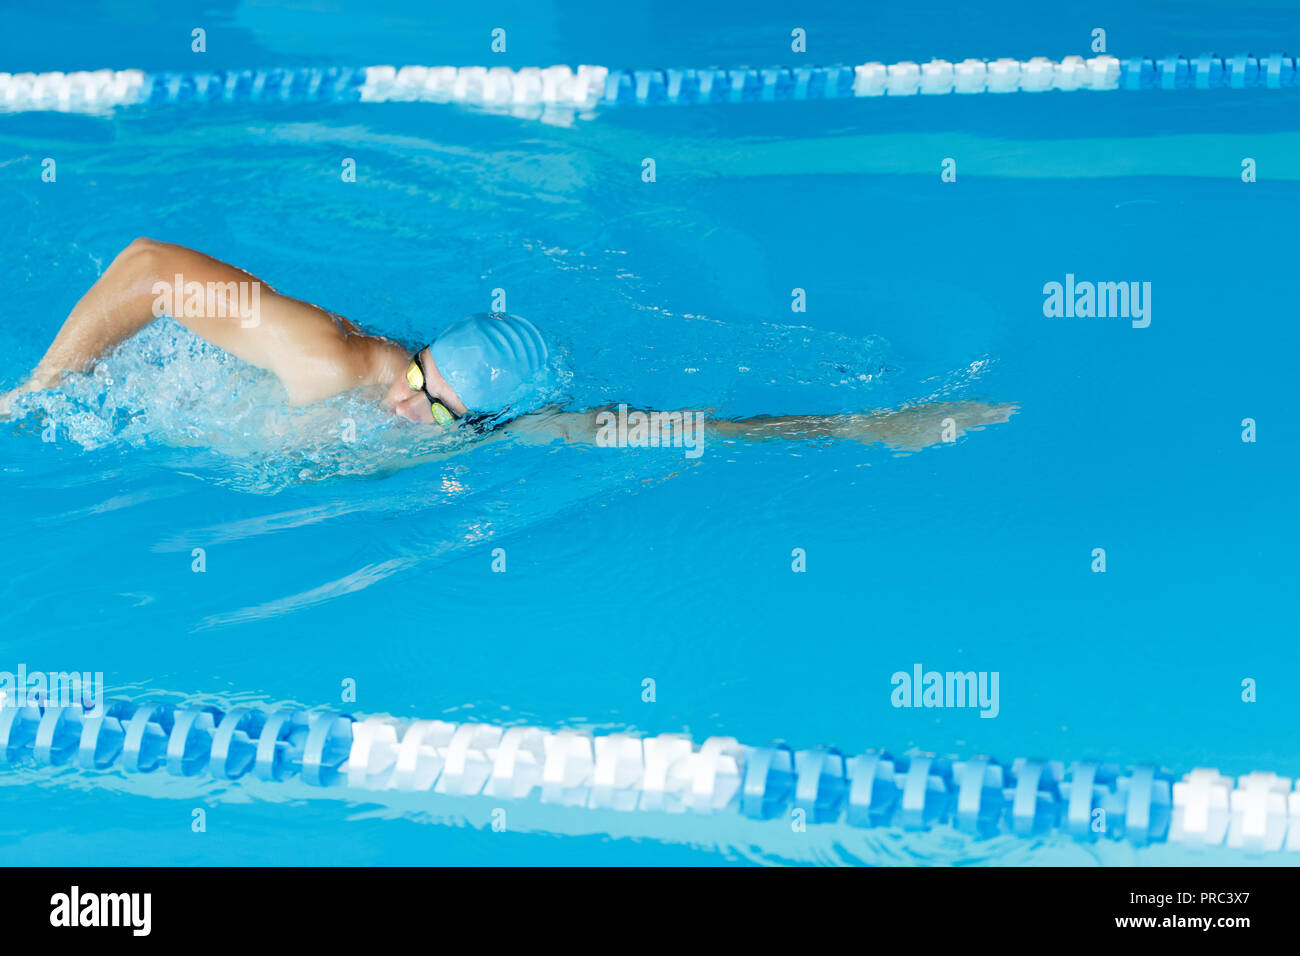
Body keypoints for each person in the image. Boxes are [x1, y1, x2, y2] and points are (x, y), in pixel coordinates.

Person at [1, 238, 1015, 449]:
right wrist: (39, 390)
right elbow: (143, 272)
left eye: (436, 411)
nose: (410, 405)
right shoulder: (322, 355)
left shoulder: (487, 429)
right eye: (420, 385)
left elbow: (655, 425)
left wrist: (860, 425)